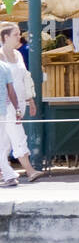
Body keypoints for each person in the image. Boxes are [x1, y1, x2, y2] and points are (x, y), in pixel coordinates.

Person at [0, 23, 38, 186]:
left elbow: (25, 78)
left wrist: (31, 100)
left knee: (5, 141)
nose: (19, 37)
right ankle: (30, 170)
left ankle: (7, 175)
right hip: (7, 103)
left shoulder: (18, 55)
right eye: (16, 34)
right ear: (6, 37)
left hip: (21, 101)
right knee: (18, 135)